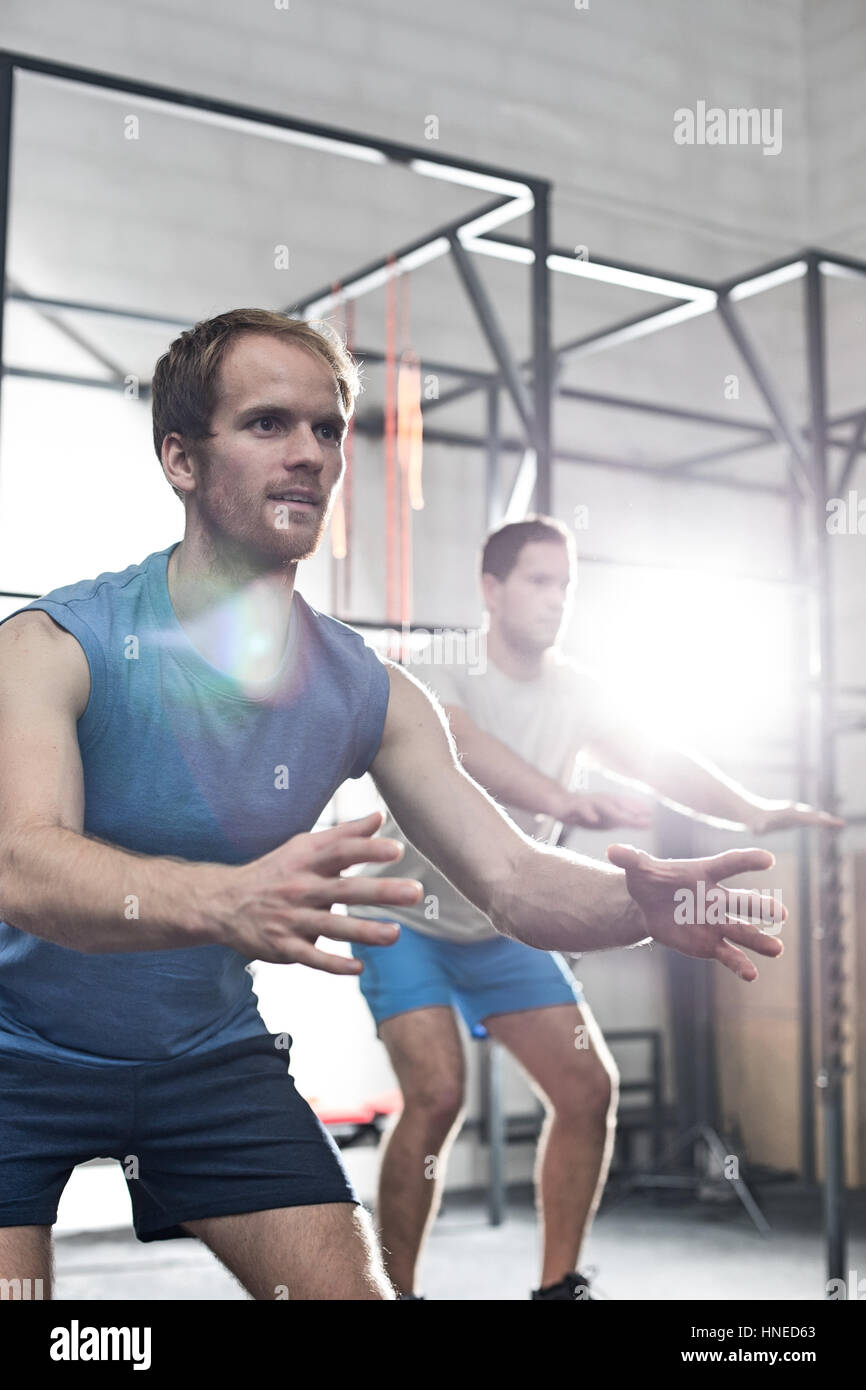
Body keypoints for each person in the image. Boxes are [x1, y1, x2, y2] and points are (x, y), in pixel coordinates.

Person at [0, 310, 787, 1303]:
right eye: (265, 424)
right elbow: (21, 863)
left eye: (326, 429)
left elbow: (510, 879)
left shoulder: (369, 690)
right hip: (14, 1050)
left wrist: (641, 908)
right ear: (180, 458)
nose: (307, 455)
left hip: (203, 1059)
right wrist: (222, 899)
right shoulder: (53, 644)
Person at [351, 515, 841, 1301]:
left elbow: (657, 757)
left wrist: (750, 809)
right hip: (405, 914)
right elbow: (464, 744)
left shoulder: (577, 690)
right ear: (491, 589)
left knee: (587, 1089)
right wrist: (562, 798)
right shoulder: (442, 665)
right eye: (539, 582)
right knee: (438, 1094)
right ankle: (394, 1294)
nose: (556, 600)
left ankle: (557, 1289)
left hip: (507, 919)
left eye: (566, 585)